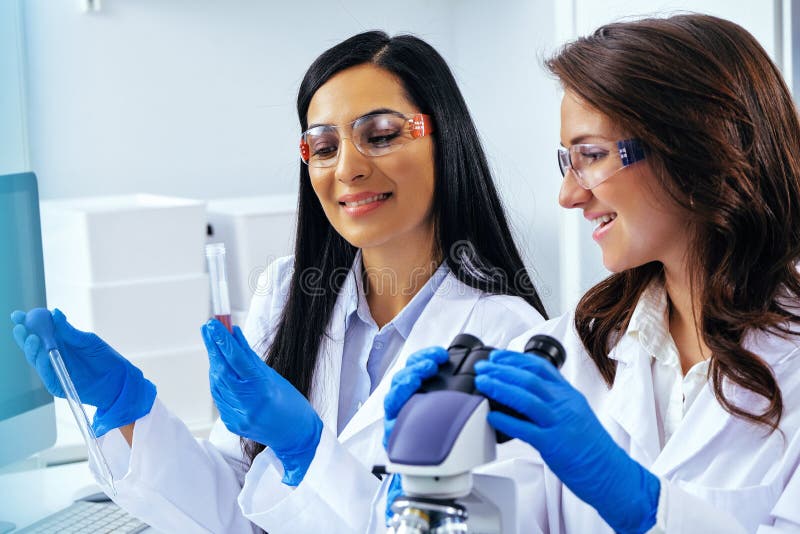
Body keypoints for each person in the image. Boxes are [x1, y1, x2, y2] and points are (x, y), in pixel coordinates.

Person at [10, 31, 548, 533]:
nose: (348, 168)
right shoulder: (290, 292)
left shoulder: (508, 338)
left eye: (380, 135)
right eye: (324, 146)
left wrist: (306, 452)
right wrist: (124, 407)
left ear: (444, 138)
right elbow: (234, 508)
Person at [383, 14, 800, 533]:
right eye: (568, 161)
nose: (569, 195)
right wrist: (429, 475)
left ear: (700, 150)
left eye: (593, 156)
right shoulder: (568, 351)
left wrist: (642, 503)